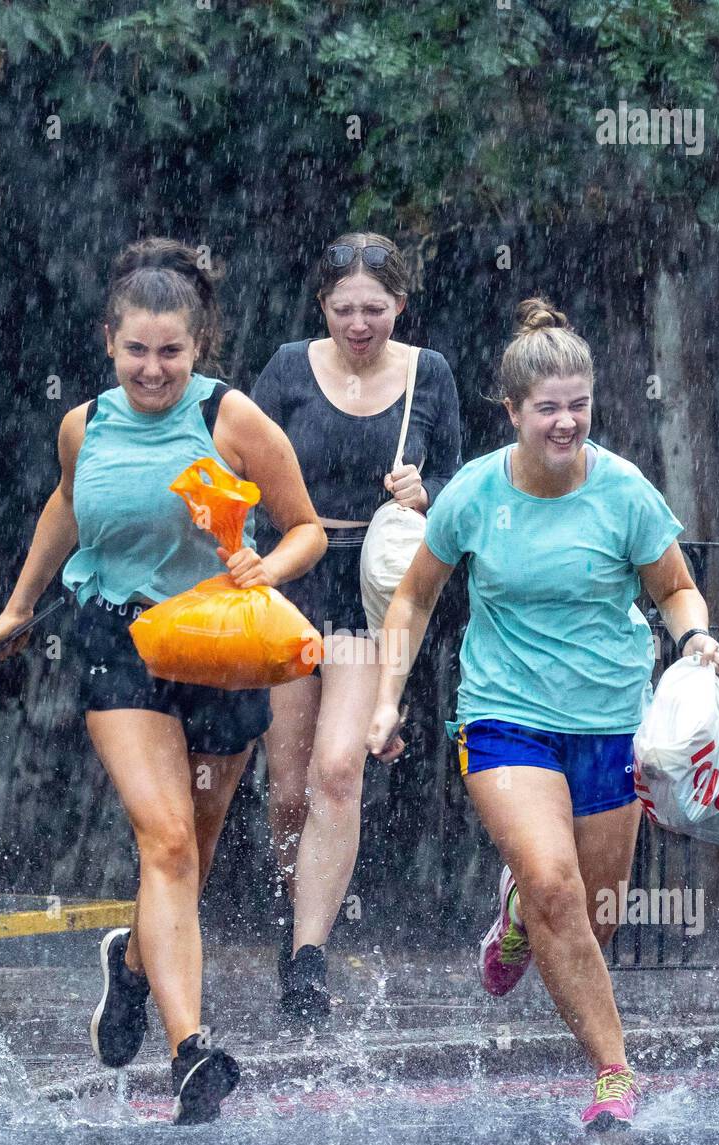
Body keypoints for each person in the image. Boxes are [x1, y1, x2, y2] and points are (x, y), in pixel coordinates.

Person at [367, 296, 719, 1130]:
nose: (566, 424)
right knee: (554, 883)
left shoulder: (624, 492)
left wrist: (698, 639)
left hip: (609, 722)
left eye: (580, 406)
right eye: (548, 409)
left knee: (590, 918)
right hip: (505, 718)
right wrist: (384, 699)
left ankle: (517, 921)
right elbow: (414, 600)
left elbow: (674, 588)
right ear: (513, 411)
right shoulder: (473, 494)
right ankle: (613, 1074)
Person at [0, 238, 326, 1125]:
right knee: (166, 842)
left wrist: (267, 569)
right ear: (109, 343)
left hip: (223, 644)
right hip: (121, 639)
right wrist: (21, 604)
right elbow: (66, 503)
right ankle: (189, 1051)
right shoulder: (84, 426)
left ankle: (131, 967)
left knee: (195, 854)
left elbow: (307, 529)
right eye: (137, 349)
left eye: (170, 350)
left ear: (198, 345)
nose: (153, 368)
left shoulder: (231, 418)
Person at [251, 232, 462, 1019]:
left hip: (371, 584)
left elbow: (456, 481)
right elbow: (237, 468)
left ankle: (310, 955)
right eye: (346, 309)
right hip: (288, 574)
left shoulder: (428, 373)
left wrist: (424, 489)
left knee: (338, 768)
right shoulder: (283, 368)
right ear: (323, 307)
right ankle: (293, 905)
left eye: (376, 308)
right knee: (285, 791)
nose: (360, 323)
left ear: (400, 306)